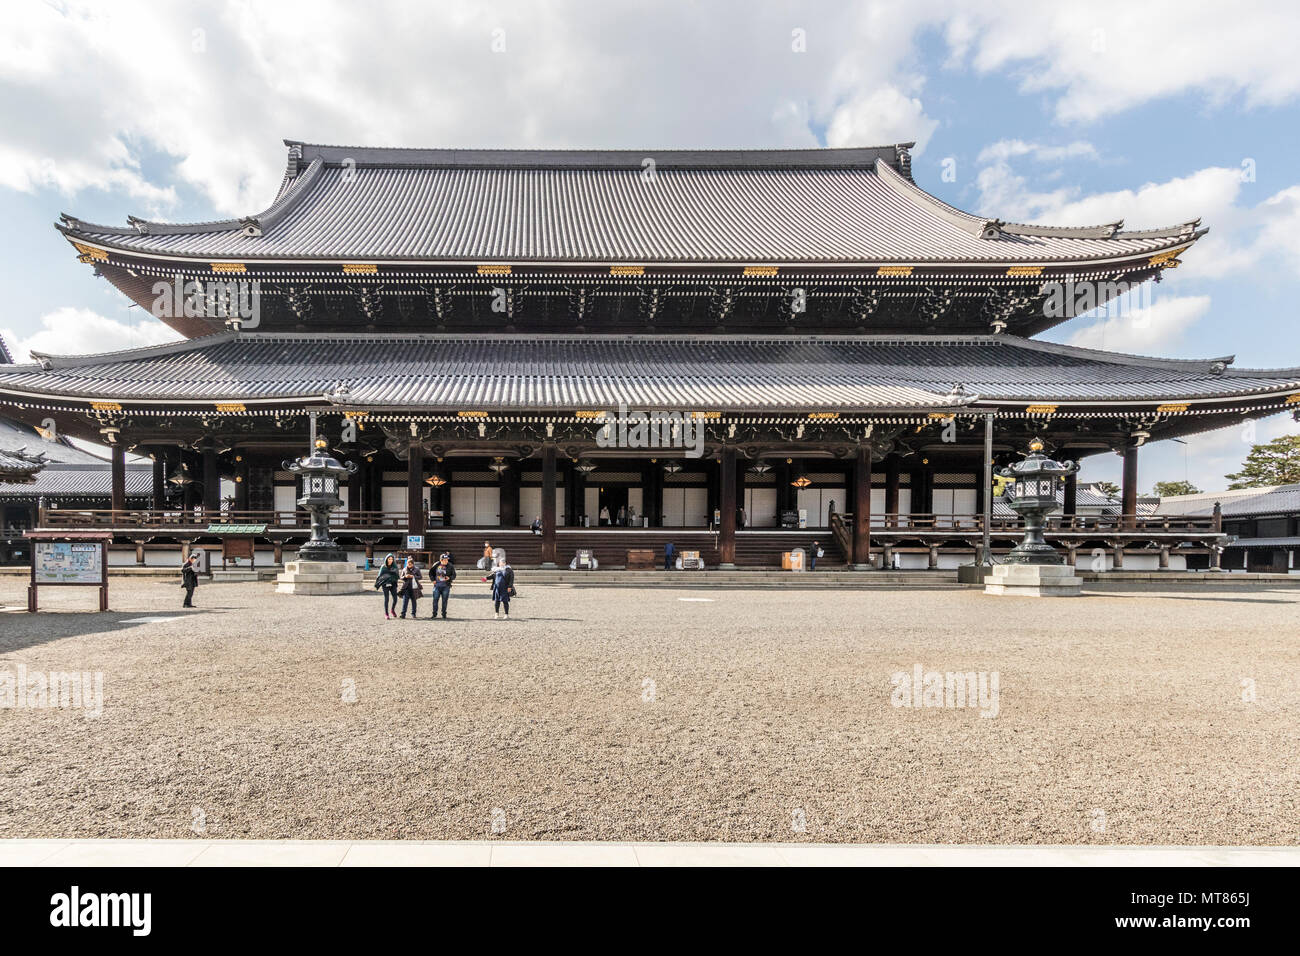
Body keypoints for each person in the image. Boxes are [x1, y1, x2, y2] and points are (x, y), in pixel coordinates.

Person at [430, 552, 456, 619]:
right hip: (437, 586)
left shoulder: (450, 565)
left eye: (447, 560)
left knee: (444, 600)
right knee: (435, 600)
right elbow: (430, 573)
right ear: (441, 560)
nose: (446, 561)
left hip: (446, 586)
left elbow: (454, 575)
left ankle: (444, 614)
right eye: (445, 560)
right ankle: (434, 614)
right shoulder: (436, 565)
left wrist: (449, 578)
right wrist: (433, 580)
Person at [374, 552, 399, 619]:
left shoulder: (395, 566)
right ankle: (386, 614)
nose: (390, 560)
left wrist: (392, 578)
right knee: (386, 599)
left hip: (393, 583)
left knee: (395, 599)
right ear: (386, 559)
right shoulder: (383, 567)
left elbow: (397, 576)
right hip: (385, 584)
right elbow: (379, 576)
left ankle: (392, 610)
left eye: (391, 559)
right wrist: (378, 583)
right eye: (389, 559)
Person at [491, 556, 515, 620]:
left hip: (505, 588)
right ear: (499, 563)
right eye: (501, 563)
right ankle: (496, 614)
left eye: (503, 563)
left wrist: (510, 587)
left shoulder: (509, 570)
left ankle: (506, 614)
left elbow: (511, 579)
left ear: (505, 563)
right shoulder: (496, 569)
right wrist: (485, 578)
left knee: (505, 601)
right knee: (497, 601)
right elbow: (492, 576)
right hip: (497, 588)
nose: (502, 564)